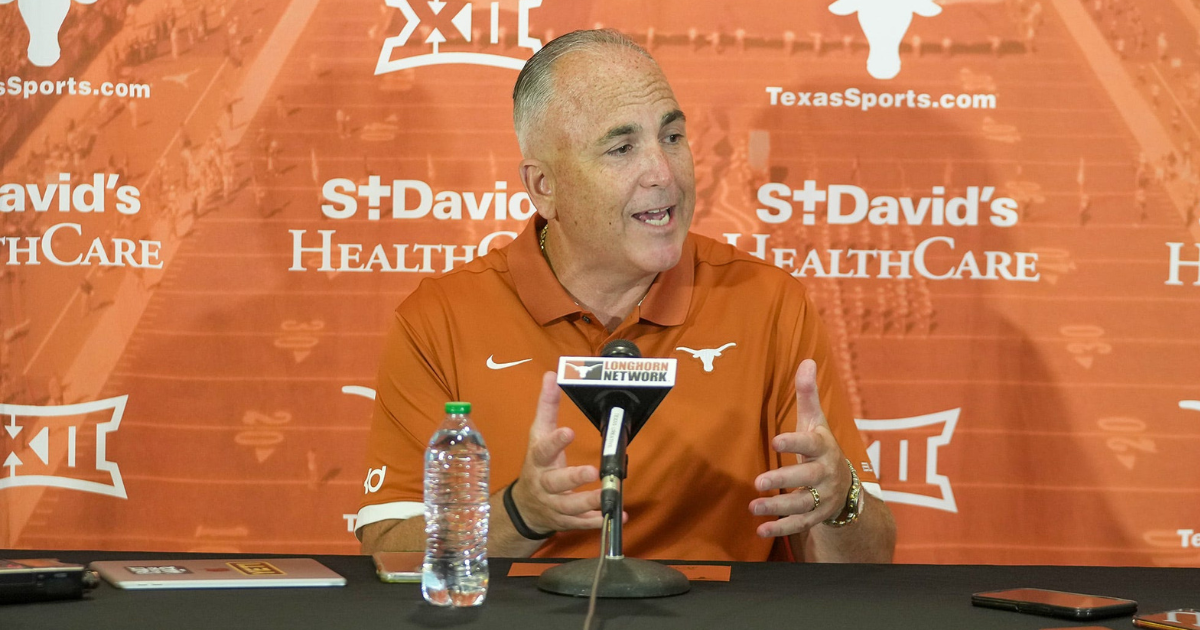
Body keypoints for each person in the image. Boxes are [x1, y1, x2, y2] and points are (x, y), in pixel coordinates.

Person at [357, 30, 896, 562]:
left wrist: (841, 496)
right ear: (544, 186)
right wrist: (520, 513)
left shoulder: (767, 301)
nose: (663, 174)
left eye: (672, 137)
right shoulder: (439, 320)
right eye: (621, 148)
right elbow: (391, 551)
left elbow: (865, 570)